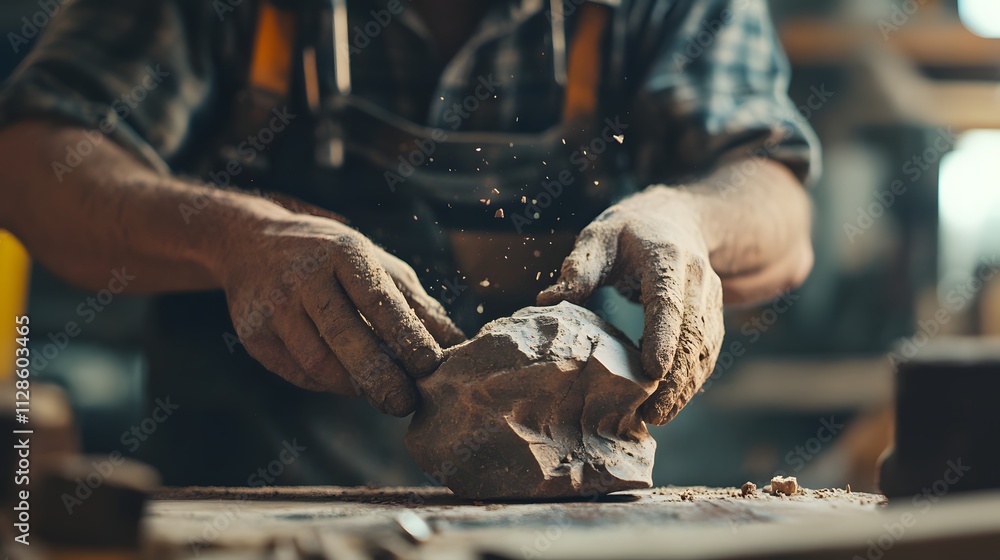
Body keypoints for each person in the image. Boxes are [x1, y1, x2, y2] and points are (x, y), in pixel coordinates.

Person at [0, 0, 816, 485]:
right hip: (249, 504)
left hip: (553, 519)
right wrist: (237, 235)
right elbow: (32, 163)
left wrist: (689, 220)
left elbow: (774, 195)